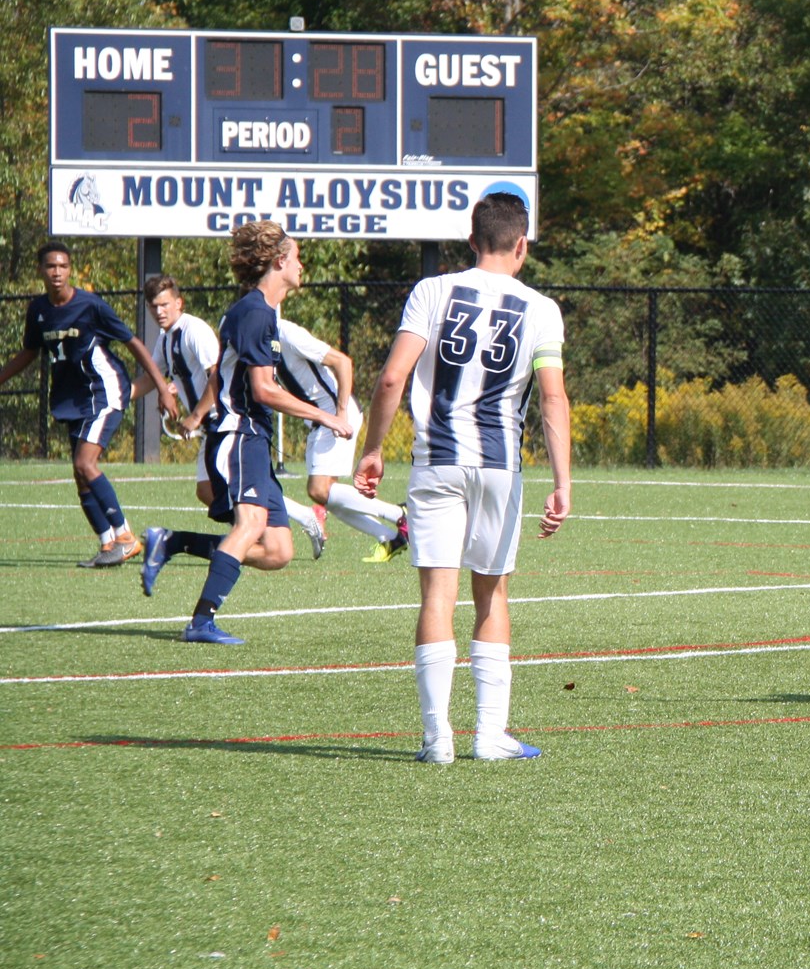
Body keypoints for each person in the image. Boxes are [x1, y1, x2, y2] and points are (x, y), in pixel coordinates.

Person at [357, 192, 571, 763]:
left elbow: (390, 380)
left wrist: (374, 449)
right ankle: (489, 735)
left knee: (436, 595)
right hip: (500, 467)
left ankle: (437, 740)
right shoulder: (542, 309)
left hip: (437, 461)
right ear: (521, 245)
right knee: (492, 592)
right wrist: (563, 482)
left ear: (471, 240)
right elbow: (552, 398)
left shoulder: (431, 291)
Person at [138, 223, 353, 643]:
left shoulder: (259, 312)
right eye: (297, 257)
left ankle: (171, 542)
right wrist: (325, 416)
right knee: (251, 522)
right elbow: (263, 389)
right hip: (240, 435)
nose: (302, 264)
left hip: (253, 437)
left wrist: (201, 412)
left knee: (277, 552)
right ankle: (201, 621)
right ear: (279, 262)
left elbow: (224, 376)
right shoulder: (255, 312)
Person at [0, 242, 178, 568]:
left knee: (86, 463)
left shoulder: (90, 305)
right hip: (71, 398)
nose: (57, 272)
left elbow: (133, 343)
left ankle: (125, 537)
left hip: (104, 391)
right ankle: (108, 543)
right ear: (41, 270)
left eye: (63, 266)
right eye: (51, 266)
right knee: (80, 476)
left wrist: (163, 391)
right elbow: (29, 351)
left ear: (70, 270)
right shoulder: (38, 310)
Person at [273, 314, 410, 562]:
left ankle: (399, 513)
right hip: (319, 421)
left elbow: (343, 362)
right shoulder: (259, 338)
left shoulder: (287, 334)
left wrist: (341, 411)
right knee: (330, 497)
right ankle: (390, 538)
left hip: (334, 415)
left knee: (318, 490)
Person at [131, 274, 219, 508]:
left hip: (224, 420)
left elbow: (217, 375)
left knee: (237, 490)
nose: (159, 312)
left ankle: (259, 535)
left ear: (178, 303)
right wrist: (119, 397)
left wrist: (195, 416)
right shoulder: (165, 340)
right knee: (206, 491)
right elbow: (152, 379)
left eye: (164, 305)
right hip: (209, 426)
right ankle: (254, 537)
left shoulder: (194, 330)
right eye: (153, 307)